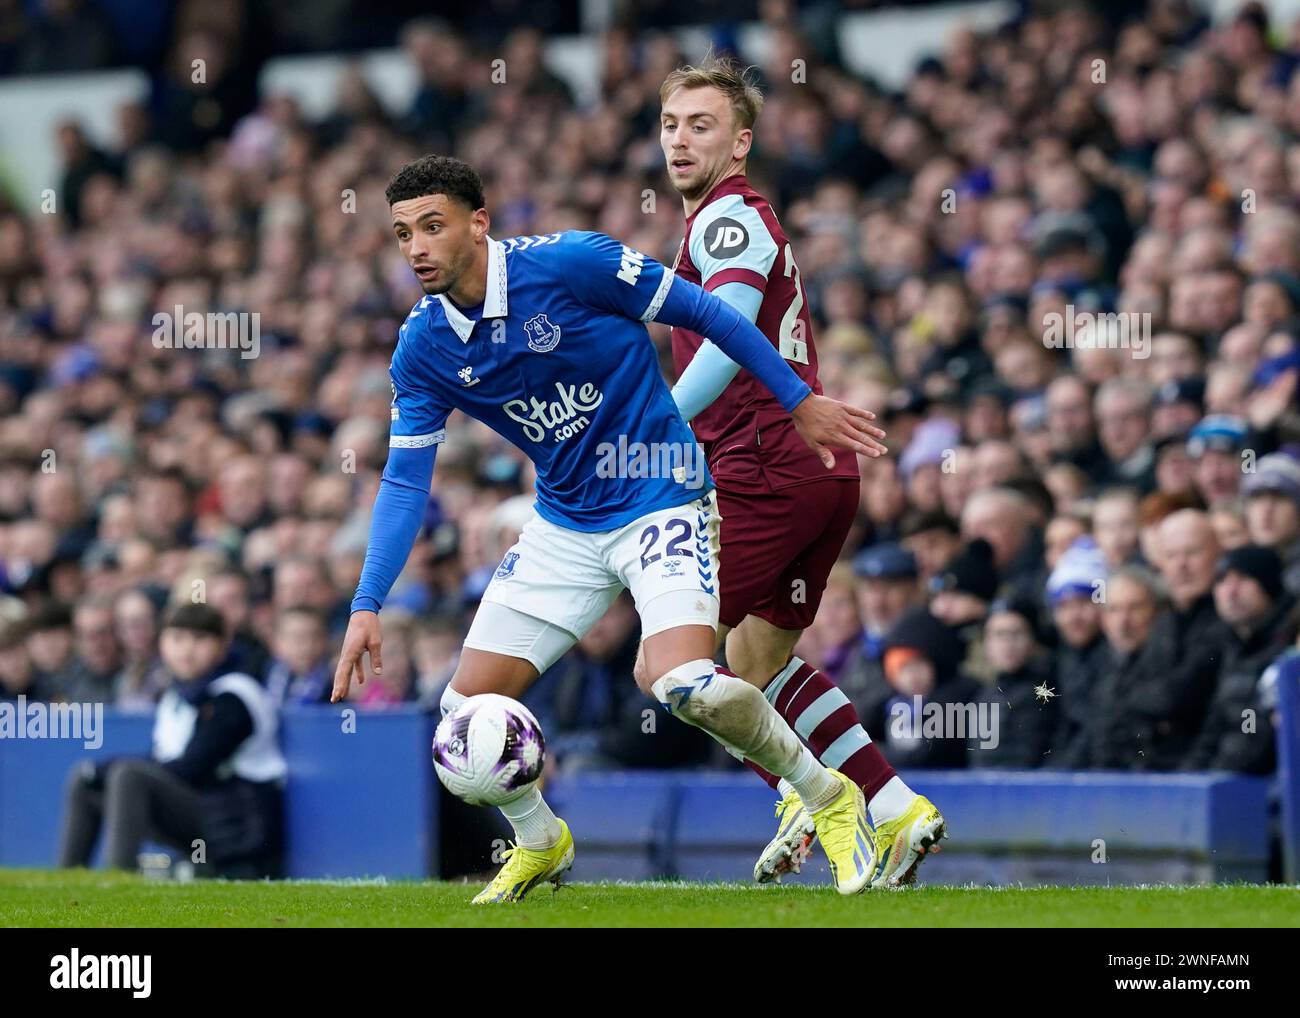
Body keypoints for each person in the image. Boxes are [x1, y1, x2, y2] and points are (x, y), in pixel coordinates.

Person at [330, 155, 889, 903]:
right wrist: (367, 603)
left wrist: (797, 398)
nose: (418, 248)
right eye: (403, 234)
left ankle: (826, 796)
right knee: (460, 720)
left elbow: (710, 313)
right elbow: (404, 481)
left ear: (479, 223)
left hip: (662, 496)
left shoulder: (572, 263)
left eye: (433, 226)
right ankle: (541, 840)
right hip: (564, 522)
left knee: (686, 686)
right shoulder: (424, 346)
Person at [650, 55, 943, 887]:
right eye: (671, 124)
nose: (680, 139)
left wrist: (662, 423)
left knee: (672, 666)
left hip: (764, 464)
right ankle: (894, 809)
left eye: (701, 125)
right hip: (814, 470)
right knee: (757, 666)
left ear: (740, 142)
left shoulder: (728, 219)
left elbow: (732, 321)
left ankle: (807, 796)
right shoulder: (721, 218)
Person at [58, 604, 286, 877]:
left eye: (200, 639)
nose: (187, 650)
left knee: (128, 776)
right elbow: (162, 759)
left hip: (240, 824)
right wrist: (97, 771)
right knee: (85, 781)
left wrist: (109, 769)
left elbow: (192, 768)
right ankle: (66, 879)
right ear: (163, 644)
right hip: (205, 814)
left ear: (223, 644)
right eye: (177, 639)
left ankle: (117, 878)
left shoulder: (235, 695)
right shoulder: (176, 696)